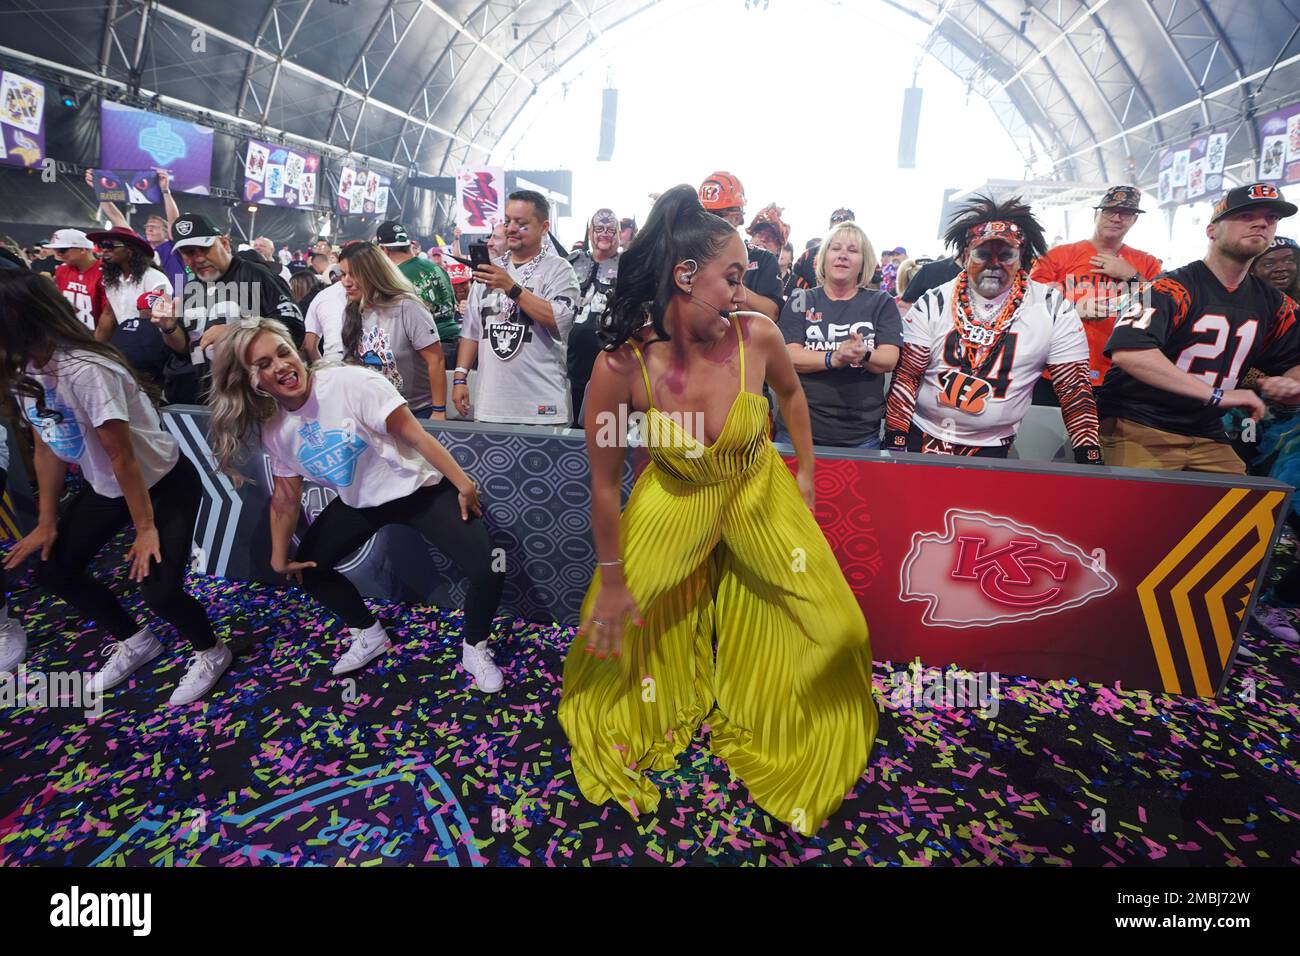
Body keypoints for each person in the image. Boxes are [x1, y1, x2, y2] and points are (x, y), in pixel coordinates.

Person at [559, 185, 877, 835]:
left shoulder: (756, 336)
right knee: (605, 629)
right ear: (685, 276)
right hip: (673, 501)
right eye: (732, 277)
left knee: (838, 627)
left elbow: (792, 398)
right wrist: (615, 580)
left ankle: (782, 718)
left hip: (758, 493)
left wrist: (807, 473)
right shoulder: (621, 365)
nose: (743, 292)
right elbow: (602, 483)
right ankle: (650, 708)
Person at [205, 318, 505, 690]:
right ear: (250, 380)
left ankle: (474, 646)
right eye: (263, 364)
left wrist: (463, 483)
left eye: (282, 353)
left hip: (417, 489)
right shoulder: (274, 427)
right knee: (309, 571)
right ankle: (369, 633)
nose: (280, 366)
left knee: (489, 567)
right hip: (359, 502)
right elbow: (285, 496)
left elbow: (416, 436)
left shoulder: (351, 383)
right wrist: (278, 556)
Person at [0, 270, 232, 705]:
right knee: (55, 571)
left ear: (15, 315)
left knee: (159, 590)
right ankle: (137, 641)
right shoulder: (28, 369)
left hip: (161, 484)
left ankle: (212, 652)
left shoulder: (87, 369)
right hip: (109, 487)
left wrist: (146, 527)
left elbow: (122, 456)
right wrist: (47, 521)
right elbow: (46, 445)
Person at [1099, 183, 1300, 474]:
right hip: (1138, 422)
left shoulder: (1276, 305)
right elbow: (1130, 351)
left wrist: (1292, 383)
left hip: (1207, 430)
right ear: (1212, 230)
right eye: (1246, 216)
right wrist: (1218, 395)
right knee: (1135, 513)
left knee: (1241, 510)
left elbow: (1295, 359)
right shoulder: (1168, 288)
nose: (1261, 223)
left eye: (1271, 218)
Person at [883, 195, 1102, 462]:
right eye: (983, 254)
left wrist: (1089, 455)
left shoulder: (1053, 309)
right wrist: (895, 442)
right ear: (965, 255)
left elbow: (1074, 388)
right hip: (924, 435)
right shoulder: (934, 302)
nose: (994, 264)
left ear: (1022, 258)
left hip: (995, 446)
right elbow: (907, 376)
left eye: (1006, 255)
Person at [453, 190, 580, 425]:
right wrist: (460, 378)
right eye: (507, 220)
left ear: (543, 227)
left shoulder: (559, 270)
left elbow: (559, 320)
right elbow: (471, 331)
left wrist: (511, 287)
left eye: (521, 223)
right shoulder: (489, 269)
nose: (511, 228)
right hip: (490, 405)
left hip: (542, 407)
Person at [776, 220, 901, 448]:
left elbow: (889, 359)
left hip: (859, 436)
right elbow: (789, 355)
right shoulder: (800, 299)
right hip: (796, 431)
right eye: (835, 248)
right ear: (823, 258)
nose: (842, 255)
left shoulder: (881, 302)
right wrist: (834, 357)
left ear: (864, 262)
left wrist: (862, 354)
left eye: (853, 250)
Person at [162, 213, 304, 403]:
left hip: (251, 398)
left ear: (224, 243)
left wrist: (236, 331)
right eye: (188, 252)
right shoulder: (188, 288)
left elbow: (293, 326)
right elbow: (184, 350)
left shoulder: (254, 274)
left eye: (204, 249)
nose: (198, 258)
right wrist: (169, 327)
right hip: (202, 397)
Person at [1030, 185, 1163, 388]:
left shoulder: (1147, 263)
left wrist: (1132, 276)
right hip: (1057, 370)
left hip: (1118, 375)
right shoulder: (1057, 257)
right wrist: (1072, 309)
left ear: (1134, 220)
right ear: (1096, 215)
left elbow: (1162, 308)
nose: (1116, 218)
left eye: (1126, 214)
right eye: (1109, 211)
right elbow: (1029, 304)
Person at [337, 242, 446, 420]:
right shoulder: (351, 312)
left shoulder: (407, 307)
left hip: (417, 412)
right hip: (374, 413)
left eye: (353, 274)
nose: (345, 282)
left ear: (373, 273)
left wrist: (439, 411)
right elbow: (352, 367)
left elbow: (436, 360)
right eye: (343, 274)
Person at [86, 227, 172, 392]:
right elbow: (108, 315)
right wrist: (94, 352)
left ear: (130, 249)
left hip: (150, 353)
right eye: (101, 245)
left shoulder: (154, 278)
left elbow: (159, 320)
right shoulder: (111, 279)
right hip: (124, 349)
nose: (104, 250)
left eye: (110, 245)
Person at [86, 167, 186, 296]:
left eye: (154, 226)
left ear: (167, 232)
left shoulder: (172, 247)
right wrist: (99, 190)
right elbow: (117, 218)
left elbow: (173, 221)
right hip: (150, 304)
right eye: (147, 226)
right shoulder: (141, 246)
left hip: (177, 303)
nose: (149, 228)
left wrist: (166, 191)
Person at [697, 172, 783, 319]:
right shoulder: (687, 254)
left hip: (742, 339)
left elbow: (771, 312)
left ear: (736, 218)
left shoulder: (763, 259)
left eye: (716, 215)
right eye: (702, 215)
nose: (707, 223)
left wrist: (726, 280)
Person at [375, 220, 460, 367]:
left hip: (427, 350)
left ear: (384, 250)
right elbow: (452, 303)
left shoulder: (394, 277)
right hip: (455, 342)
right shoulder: (436, 268)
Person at [567, 208, 622, 424]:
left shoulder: (629, 265)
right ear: (591, 232)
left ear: (618, 233)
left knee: (604, 424)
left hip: (610, 354)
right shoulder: (571, 261)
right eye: (599, 228)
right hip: (570, 357)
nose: (605, 234)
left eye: (610, 229)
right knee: (571, 421)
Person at [47, 228, 111, 340]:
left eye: (62, 250)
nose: (58, 254)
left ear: (82, 249)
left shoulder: (105, 272)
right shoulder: (61, 271)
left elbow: (108, 315)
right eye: (56, 250)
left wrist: (97, 345)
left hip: (94, 337)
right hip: (67, 335)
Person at [790, 207, 855, 291]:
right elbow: (795, 282)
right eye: (835, 218)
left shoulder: (865, 255)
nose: (840, 220)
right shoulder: (807, 255)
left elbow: (874, 284)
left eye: (846, 218)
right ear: (829, 227)